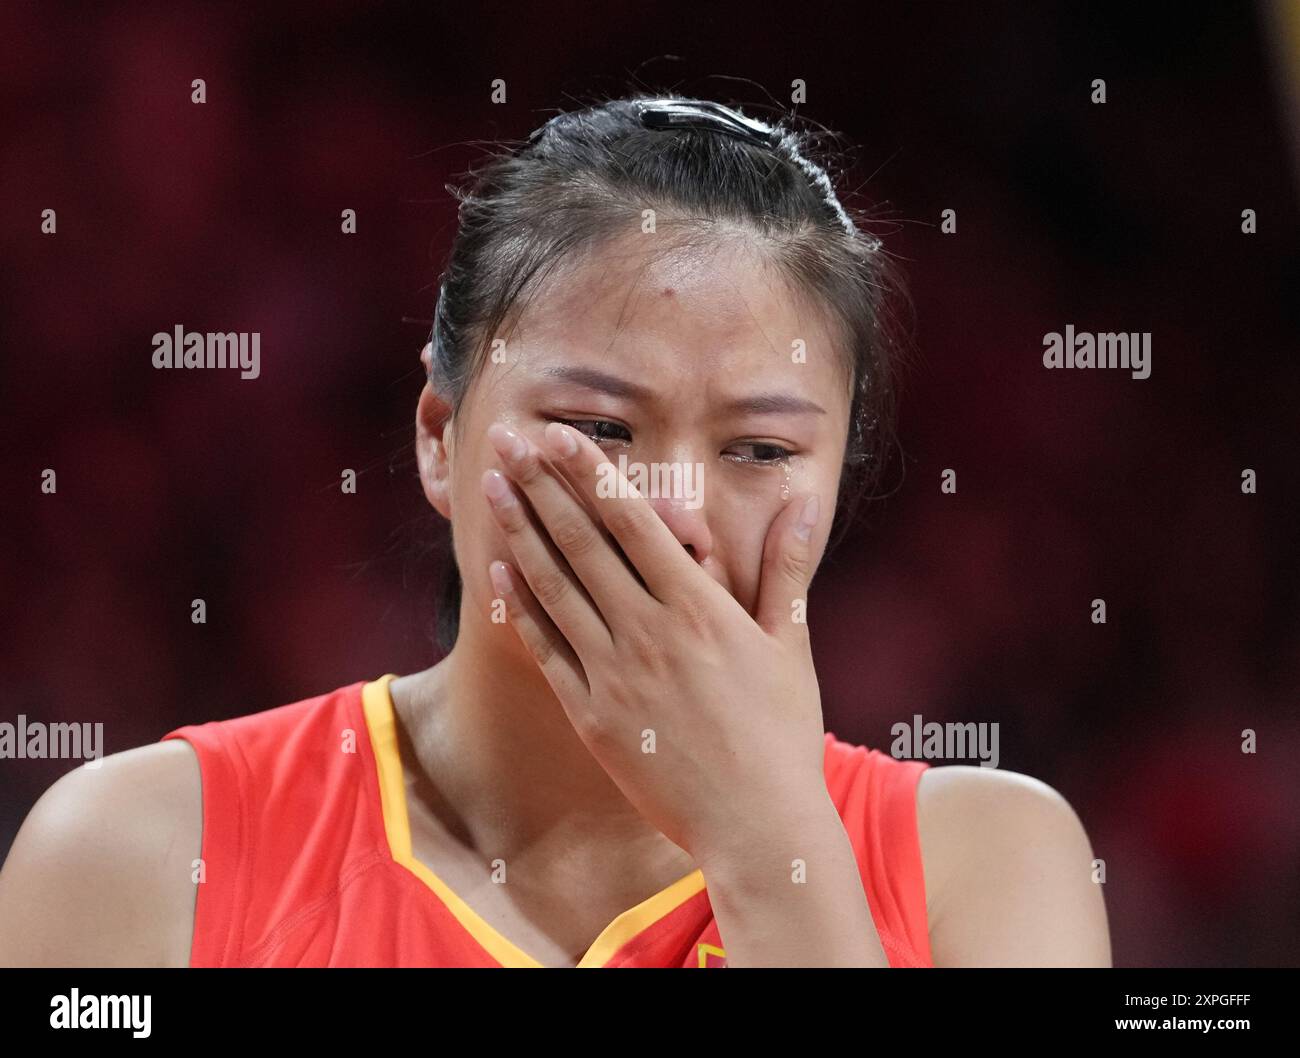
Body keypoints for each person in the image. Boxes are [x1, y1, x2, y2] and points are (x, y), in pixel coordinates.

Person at [0, 94, 1111, 968]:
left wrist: (770, 847)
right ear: (441, 435)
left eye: (760, 451)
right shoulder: (137, 854)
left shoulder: (990, 863)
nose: (671, 512)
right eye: (598, 426)